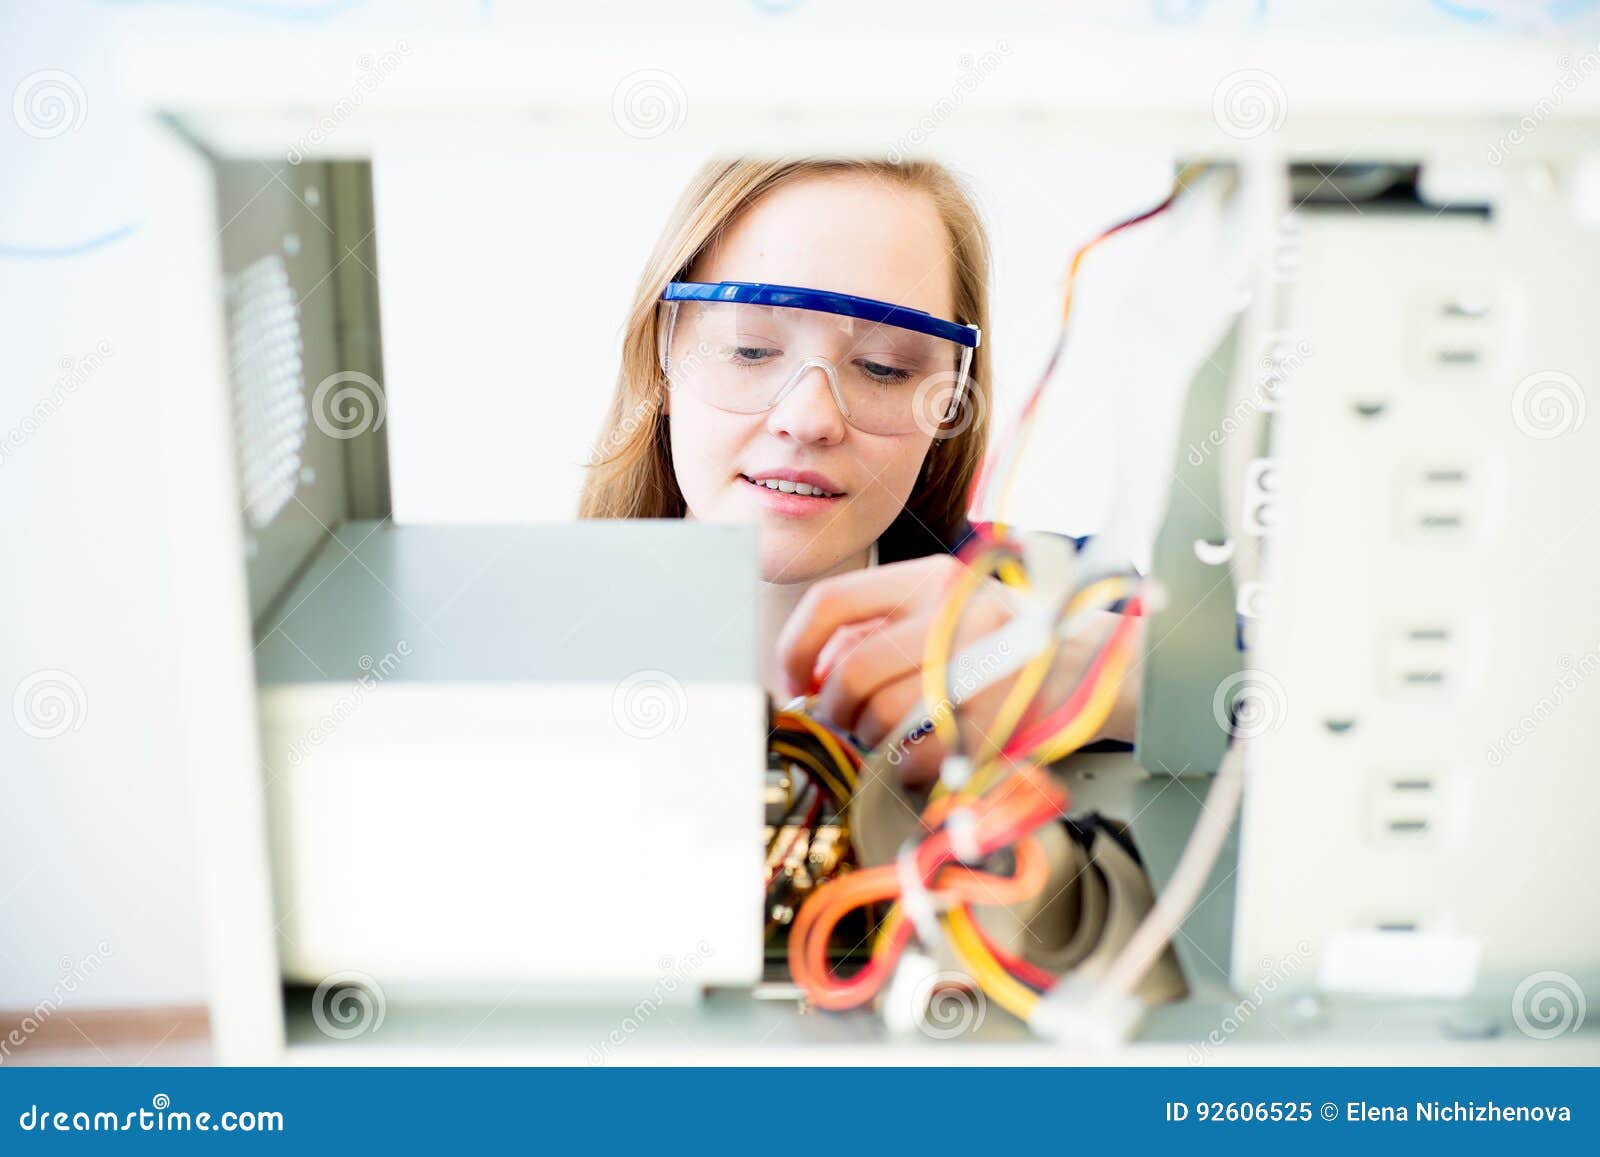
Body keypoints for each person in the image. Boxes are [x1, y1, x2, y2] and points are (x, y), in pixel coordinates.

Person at [581, 157, 1138, 784]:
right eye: (749, 350)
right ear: (659, 360)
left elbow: (1230, 670)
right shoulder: (538, 627)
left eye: (884, 368)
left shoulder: (1062, 600)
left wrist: (1086, 666)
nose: (808, 418)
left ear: (950, 399)